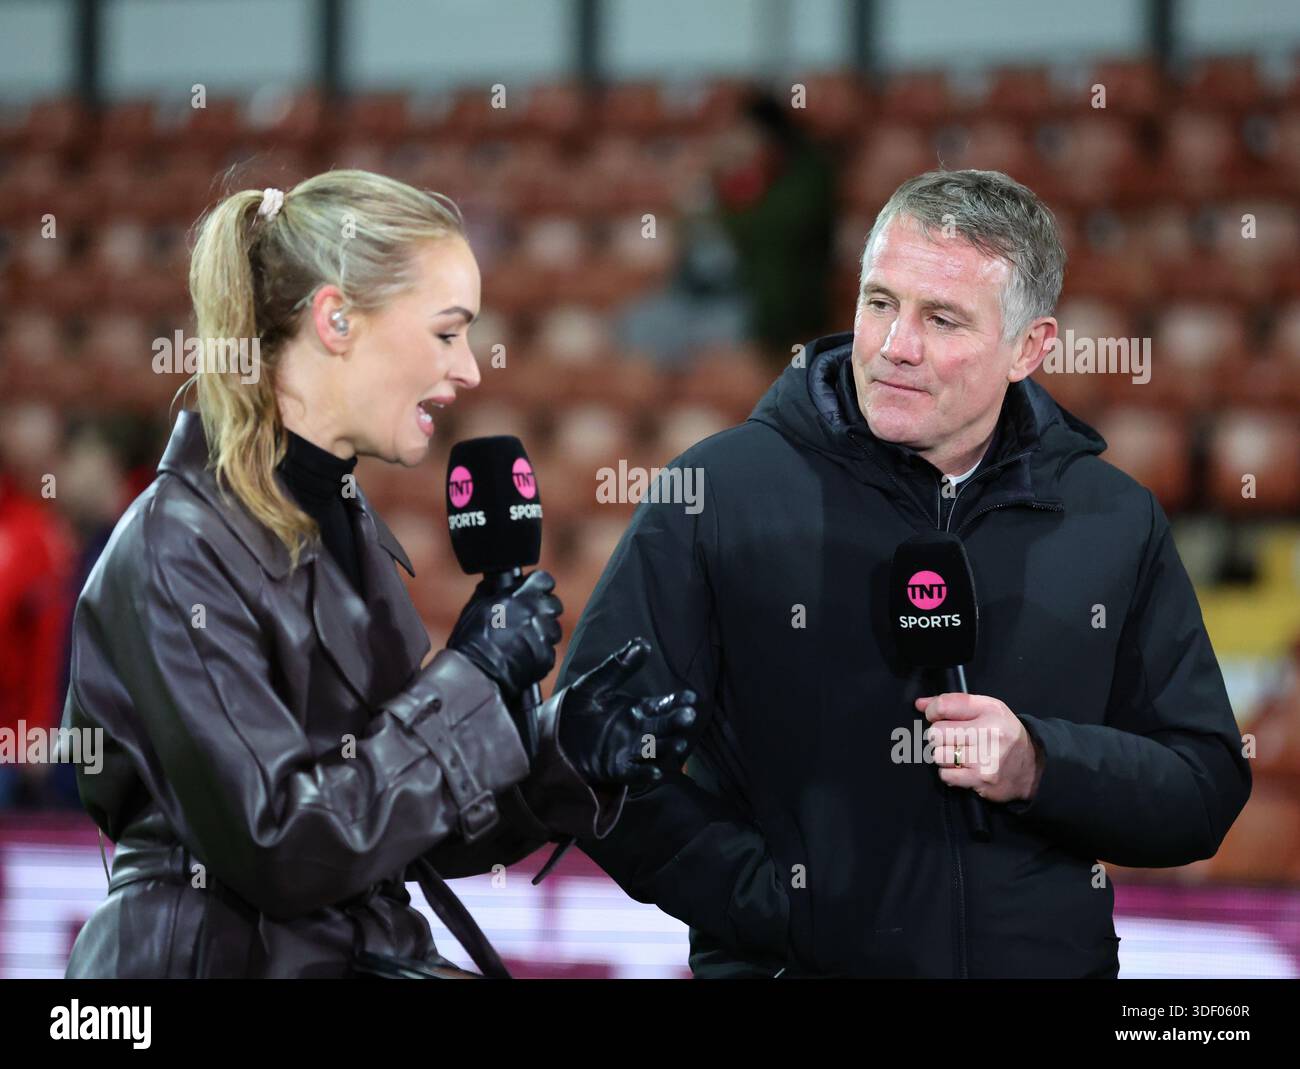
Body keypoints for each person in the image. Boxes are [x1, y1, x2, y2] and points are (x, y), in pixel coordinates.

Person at [557, 169, 1252, 978]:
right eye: (880, 302)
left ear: (1029, 348)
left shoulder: (1113, 518)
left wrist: (1041, 763)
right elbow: (589, 749)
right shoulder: (717, 493)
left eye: (942, 318)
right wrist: (775, 906)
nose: (896, 345)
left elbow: (1202, 785)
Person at [62, 170, 696, 978]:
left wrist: (556, 756)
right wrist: (470, 681)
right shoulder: (176, 545)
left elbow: (391, 827)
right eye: (446, 333)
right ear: (336, 320)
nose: (469, 370)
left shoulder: (344, 521)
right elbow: (283, 847)